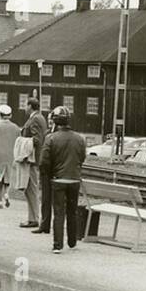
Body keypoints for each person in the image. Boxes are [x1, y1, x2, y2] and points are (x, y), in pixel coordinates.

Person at [39, 104, 86, 253]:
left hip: (58, 179)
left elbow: (43, 162)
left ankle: (57, 245)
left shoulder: (50, 138)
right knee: (72, 211)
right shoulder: (80, 138)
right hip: (74, 179)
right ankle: (72, 241)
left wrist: (49, 174)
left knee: (58, 212)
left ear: (55, 121)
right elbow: (82, 158)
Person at [19, 97, 47, 229]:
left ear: (30, 106)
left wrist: (22, 143)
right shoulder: (39, 117)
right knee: (30, 188)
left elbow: (37, 139)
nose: (25, 107)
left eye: (26, 105)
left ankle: (34, 219)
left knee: (31, 189)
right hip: (33, 159)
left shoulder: (35, 119)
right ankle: (32, 218)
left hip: (31, 159)